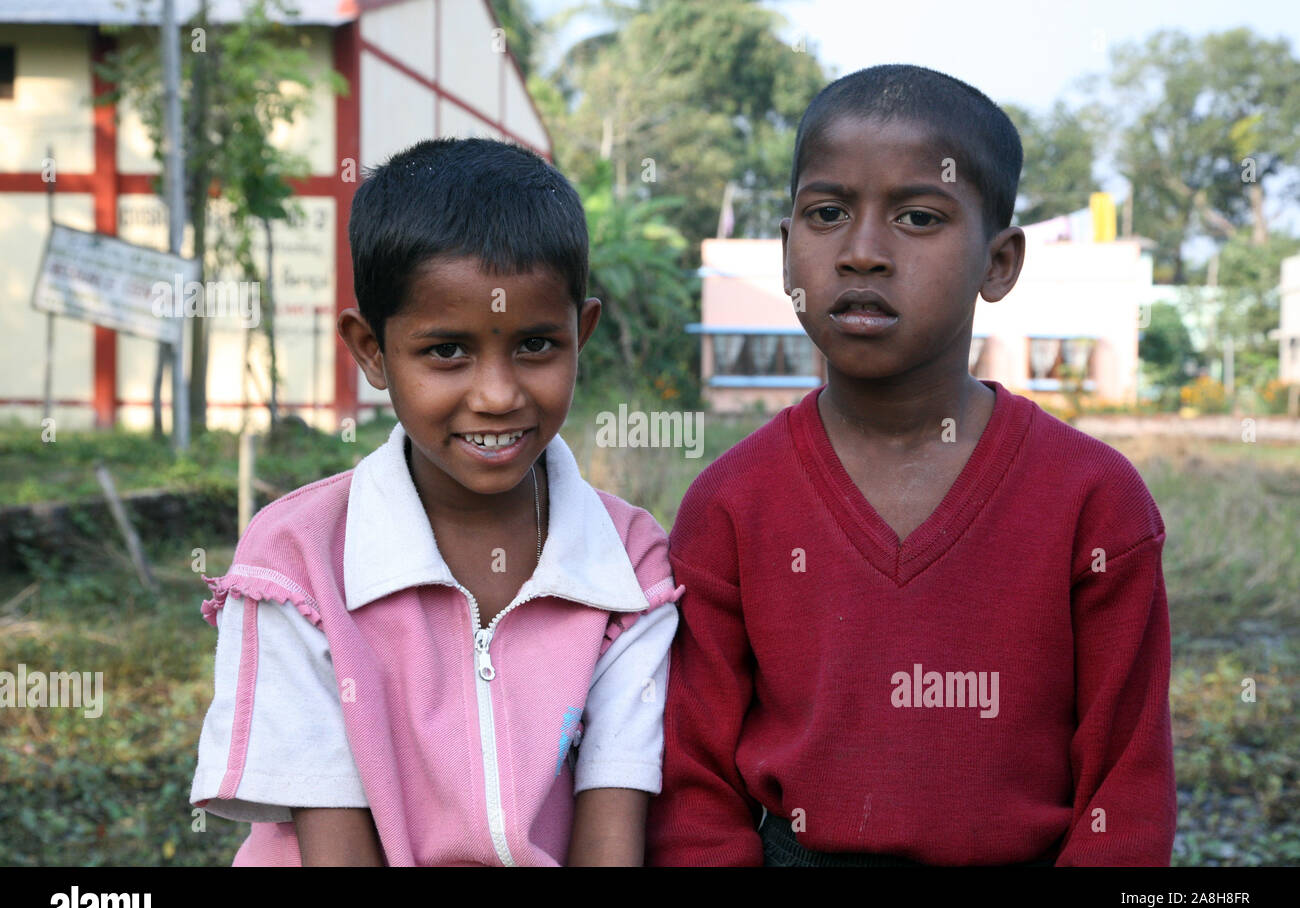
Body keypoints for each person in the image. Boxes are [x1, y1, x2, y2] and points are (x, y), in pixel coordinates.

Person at [645, 64, 1176, 866]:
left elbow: (1125, 790)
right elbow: (695, 789)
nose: (862, 253)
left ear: (999, 263)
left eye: (919, 217)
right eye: (827, 214)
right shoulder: (729, 503)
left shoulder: (1092, 501)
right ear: (789, 255)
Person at [190, 138, 682, 866]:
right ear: (371, 351)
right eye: (447, 351)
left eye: (537, 345)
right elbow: (336, 848)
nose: (497, 395)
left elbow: (613, 828)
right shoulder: (297, 563)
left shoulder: (629, 565)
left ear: (582, 335)